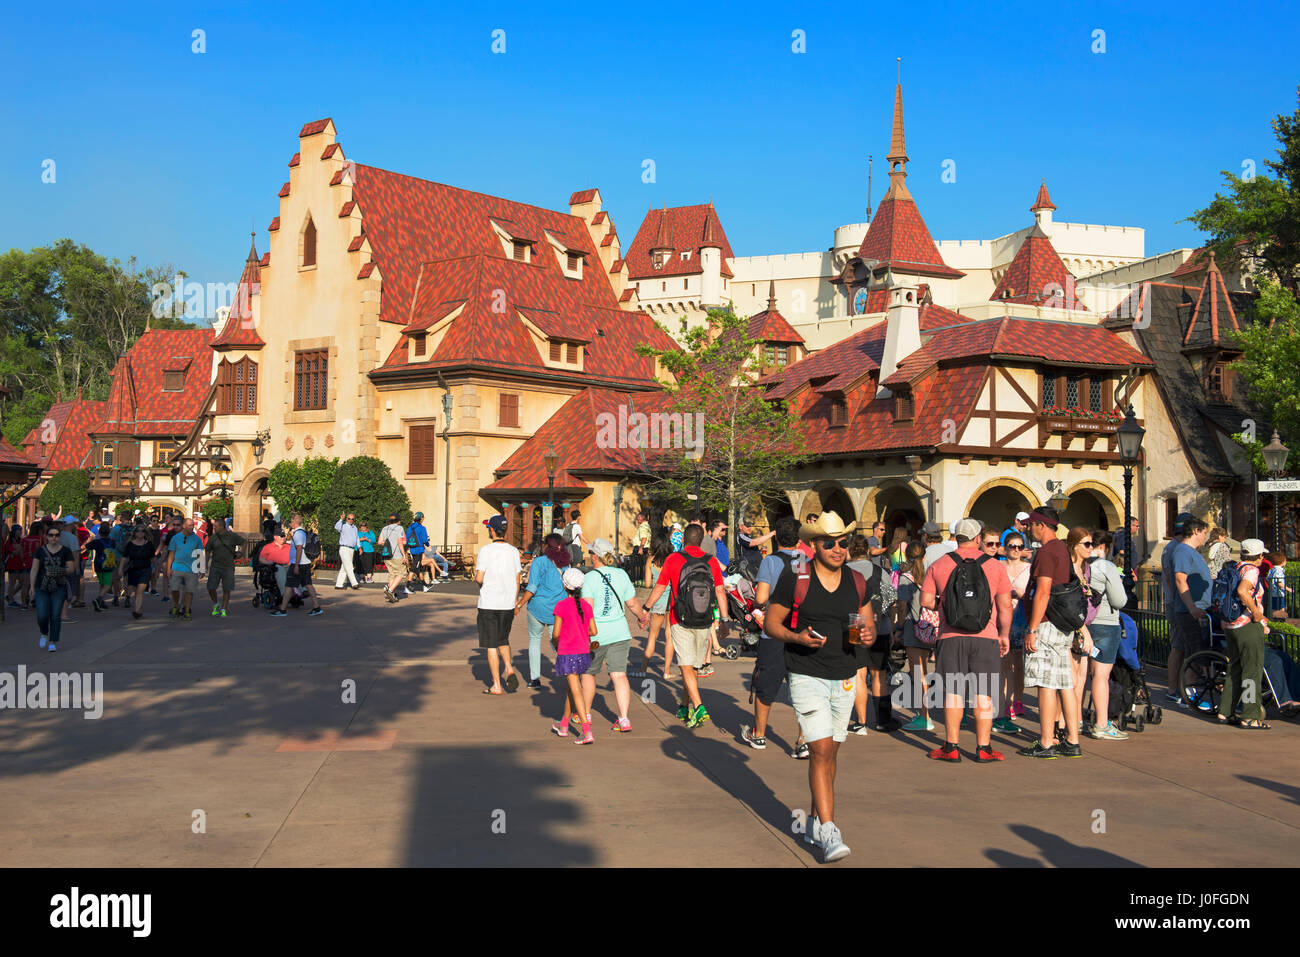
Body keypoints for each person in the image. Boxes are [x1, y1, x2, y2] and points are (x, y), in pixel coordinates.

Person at [763, 512, 871, 862]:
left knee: (831, 753)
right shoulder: (796, 578)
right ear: (813, 545)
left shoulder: (857, 580)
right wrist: (797, 637)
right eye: (830, 543)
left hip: (845, 675)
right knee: (821, 750)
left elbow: (862, 624)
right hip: (806, 673)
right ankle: (828, 831)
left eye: (844, 542)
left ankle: (812, 821)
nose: (838, 549)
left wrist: (866, 635)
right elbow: (771, 622)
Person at [921, 519, 1012, 762]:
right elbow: (1004, 606)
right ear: (979, 537)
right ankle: (984, 747)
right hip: (986, 636)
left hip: (950, 636)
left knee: (953, 691)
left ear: (956, 537)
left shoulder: (939, 564)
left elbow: (926, 601)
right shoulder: (995, 566)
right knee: (984, 692)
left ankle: (951, 747)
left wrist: (945, 603)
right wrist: (1004, 634)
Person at [643, 523, 728, 729]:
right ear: (700, 540)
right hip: (705, 619)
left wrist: (646, 607)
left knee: (686, 665)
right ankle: (684, 705)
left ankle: (698, 707)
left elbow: (660, 587)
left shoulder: (674, 559)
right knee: (693, 667)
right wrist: (724, 620)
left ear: (683, 540)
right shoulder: (711, 562)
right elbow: (719, 592)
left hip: (679, 618)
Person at [742, 516, 810, 757]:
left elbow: (761, 598)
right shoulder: (807, 561)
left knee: (766, 684)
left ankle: (759, 735)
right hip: (802, 631)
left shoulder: (770, 562)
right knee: (803, 688)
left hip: (774, 631)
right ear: (799, 539)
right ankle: (803, 740)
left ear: (777, 537)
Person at [1020, 507, 1084, 758]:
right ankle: (1072, 739)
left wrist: (1032, 629)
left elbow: (1043, 591)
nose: (1028, 528)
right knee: (1065, 682)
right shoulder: (1062, 550)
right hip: (1062, 623)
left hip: (1046, 623)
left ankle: (1047, 741)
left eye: (1031, 524)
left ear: (1042, 525)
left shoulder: (1047, 551)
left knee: (1045, 684)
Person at [581, 538, 650, 732]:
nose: (589, 555)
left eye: (591, 553)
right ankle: (624, 718)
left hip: (597, 635)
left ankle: (585, 713)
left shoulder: (590, 578)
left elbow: (587, 609)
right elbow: (633, 604)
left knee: (588, 674)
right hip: (620, 633)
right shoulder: (621, 575)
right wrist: (642, 617)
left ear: (596, 556)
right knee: (619, 674)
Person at [846, 535, 899, 734]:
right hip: (880, 627)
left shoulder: (845, 571)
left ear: (850, 551)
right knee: (880, 674)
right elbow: (892, 599)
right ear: (868, 551)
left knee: (859, 673)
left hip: (855, 624)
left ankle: (860, 722)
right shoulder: (880, 571)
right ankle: (883, 720)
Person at [1219, 539, 1271, 729]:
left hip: (1230, 624)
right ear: (1259, 556)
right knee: (1252, 670)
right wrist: (1257, 613)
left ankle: (1225, 711)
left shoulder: (1235, 566)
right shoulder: (1251, 570)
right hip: (1247, 625)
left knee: (1234, 668)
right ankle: (1250, 715)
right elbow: (1242, 591)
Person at [1082, 530, 1129, 739]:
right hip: (1105, 623)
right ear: (1106, 547)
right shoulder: (1106, 566)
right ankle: (1102, 724)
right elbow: (1119, 601)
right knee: (1101, 675)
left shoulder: (1081, 564)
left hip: (1082, 623)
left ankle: (1074, 720)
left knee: (1080, 676)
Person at [1161, 515, 1212, 708]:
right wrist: (1191, 607)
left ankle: (1191, 693)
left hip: (1196, 608)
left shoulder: (1190, 551)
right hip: (1189, 610)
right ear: (1196, 531)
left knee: (1195, 650)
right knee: (1195, 651)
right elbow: (1178, 580)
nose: (1205, 537)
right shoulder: (1182, 551)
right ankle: (1190, 693)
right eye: (1204, 532)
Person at [550, 566, 597, 743]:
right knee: (572, 688)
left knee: (575, 688)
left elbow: (556, 634)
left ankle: (586, 730)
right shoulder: (585, 605)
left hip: (567, 652)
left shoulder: (561, 606)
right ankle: (563, 724)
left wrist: (557, 645)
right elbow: (593, 630)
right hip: (583, 652)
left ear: (564, 586)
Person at [477, 514, 522, 694]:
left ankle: (496, 685)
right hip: (507, 603)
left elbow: (479, 577)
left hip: (489, 602)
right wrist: (515, 600)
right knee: (503, 639)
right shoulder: (513, 551)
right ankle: (509, 667)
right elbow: (518, 578)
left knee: (491, 644)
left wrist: (480, 581)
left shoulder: (486, 550)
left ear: (492, 530)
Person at [516, 532, 568, 689]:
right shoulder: (565, 564)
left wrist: (519, 604)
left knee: (534, 640)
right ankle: (568, 672)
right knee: (557, 642)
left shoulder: (538, 562)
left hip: (537, 606)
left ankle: (535, 679)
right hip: (558, 609)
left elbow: (532, 587)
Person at [895, 541, 934, 732]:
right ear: (924, 556)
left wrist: (899, 628)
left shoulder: (905, 579)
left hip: (913, 626)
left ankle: (924, 716)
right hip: (929, 626)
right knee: (924, 671)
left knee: (917, 674)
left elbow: (902, 607)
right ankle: (924, 712)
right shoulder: (929, 575)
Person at [996, 531, 1032, 733]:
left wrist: (1020, 594)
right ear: (1006, 547)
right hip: (1002, 617)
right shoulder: (999, 566)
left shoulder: (1028, 568)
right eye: (1012, 546)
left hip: (1020, 617)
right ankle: (1006, 702)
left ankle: (1018, 698)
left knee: (1019, 663)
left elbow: (1033, 594)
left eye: (1020, 547)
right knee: (1004, 662)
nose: (1016, 550)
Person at [30, 524, 76, 651]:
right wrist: (32, 586)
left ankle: (53, 641)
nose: (54, 538)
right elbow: (34, 569)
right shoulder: (40, 551)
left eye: (56, 535)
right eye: (51, 535)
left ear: (59, 537)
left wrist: (58, 570)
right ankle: (44, 632)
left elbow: (71, 569)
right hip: (42, 586)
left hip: (59, 586)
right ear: (46, 536)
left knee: (56, 615)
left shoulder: (65, 551)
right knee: (42, 615)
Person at [273, 514, 323, 616]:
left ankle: (282, 609)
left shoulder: (298, 534)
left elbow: (299, 549)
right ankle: (316, 607)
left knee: (289, 585)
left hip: (299, 564)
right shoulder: (302, 532)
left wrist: (295, 565)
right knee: (308, 585)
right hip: (304, 563)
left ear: (294, 523)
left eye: (291, 522)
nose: (291, 524)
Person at [640, 538, 675, 679]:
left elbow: (648, 584)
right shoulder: (672, 561)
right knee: (669, 637)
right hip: (672, 601)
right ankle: (666, 671)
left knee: (652, 636)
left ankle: (643, 669)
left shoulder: (651, 561)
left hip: (658, 601)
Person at [167, 517, 205, 622]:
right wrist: (168, 568)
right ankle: (176, 605)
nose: (192, 527)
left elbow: (199, 553)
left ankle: (187, 610)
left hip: (191, 568)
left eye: (192, 525)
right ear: (184, 526)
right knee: (174, 589)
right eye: (189, 525)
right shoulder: (175, 538)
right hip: (177, 567)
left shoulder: (196, 539)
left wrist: (201, 568)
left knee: (189, 591)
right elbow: (171, 553)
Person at [205, 519, 245, 617]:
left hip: (228, 567)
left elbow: (244, 542)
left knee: (227, 589)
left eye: (216, 526)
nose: (214, 528)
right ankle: (216, 604)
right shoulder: (213, 538)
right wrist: (205, 563)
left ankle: (223, 608)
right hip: (215, 565)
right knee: (211, 587)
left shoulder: (232, 536)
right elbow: (207, 551)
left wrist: (241, 552)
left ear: (222, 527)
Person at [121, 522, 156, 619]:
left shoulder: (149, 544)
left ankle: (136, 610)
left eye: (142, 531)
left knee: (140, 590)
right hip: (133, 570)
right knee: (134, 590)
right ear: (134, 533)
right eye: (138, 531)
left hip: (145, 569)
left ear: (145, 533)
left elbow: (153, 558)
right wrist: (120, 569)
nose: (140, 533)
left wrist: (156, 569)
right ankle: (139, 609)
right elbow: (124, 557)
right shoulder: (130, 544)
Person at [379, 514, 408, 603]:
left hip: (387, 555)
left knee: (392, 574)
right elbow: (400, 541)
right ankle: (390, 591)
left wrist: (388, 544)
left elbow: (380, 542)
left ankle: (390, 593)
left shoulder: (384, 528)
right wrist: (403, 554)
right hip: (397, 555)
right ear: (398, 520)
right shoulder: (399, 528)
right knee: (402, 573)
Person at [85, 522, 112, 612]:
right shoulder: (112, 541)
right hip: (109, 564)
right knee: (107, 585)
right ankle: (99, 598)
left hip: (98, 564)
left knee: (102, 583)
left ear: (99, 533)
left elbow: (86, 547)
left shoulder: (97, 542)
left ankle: (101, 600)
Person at [4, 524, 31, 610]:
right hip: (12, 565)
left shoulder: (20, 541)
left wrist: (19, 548)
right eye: (18, 530)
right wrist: (19, 548)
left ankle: (10, 596)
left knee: (23, 583)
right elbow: (14, 552)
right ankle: (11, 600)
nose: (20, 532)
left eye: (20, 530)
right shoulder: (9, 542)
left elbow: (22, 551)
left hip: (20, 564)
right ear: (14, 531)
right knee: (12, 582)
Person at [405, 512, 432, 592]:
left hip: (412, 549)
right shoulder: (422, 528)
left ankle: (425, 585)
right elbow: (424, 540)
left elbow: (406, 539)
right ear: (421, 518)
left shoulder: (410, 527)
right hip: (419, 550)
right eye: (423, 518)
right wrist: (427, 543)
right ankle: (407, 586)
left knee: (418, 567)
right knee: (414, 568)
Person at [334, 512, 361, 590]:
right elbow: (336, 527)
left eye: (352, 519)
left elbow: (357, 538)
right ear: (347, 519)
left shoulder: (355, 528)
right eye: (349, 518)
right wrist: (341, 519)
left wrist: (359, 547)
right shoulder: (343, 526)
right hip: (344, 548)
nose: (350, 520)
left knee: (344, 567)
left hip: (351, 549)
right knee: (349, 566)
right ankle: (354, 583)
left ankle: (338, 584)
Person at [1267, 553, 1292, 620]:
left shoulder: (1272, 569)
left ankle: (1273, 621)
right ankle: (1281, 621)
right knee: (1281, 608)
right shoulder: (1279, 570)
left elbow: (1268, 579)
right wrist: (1288, 589)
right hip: (1279, 593)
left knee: (1274, 608)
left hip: (1272, 592)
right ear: (1282, 561)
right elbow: (1279, 582)